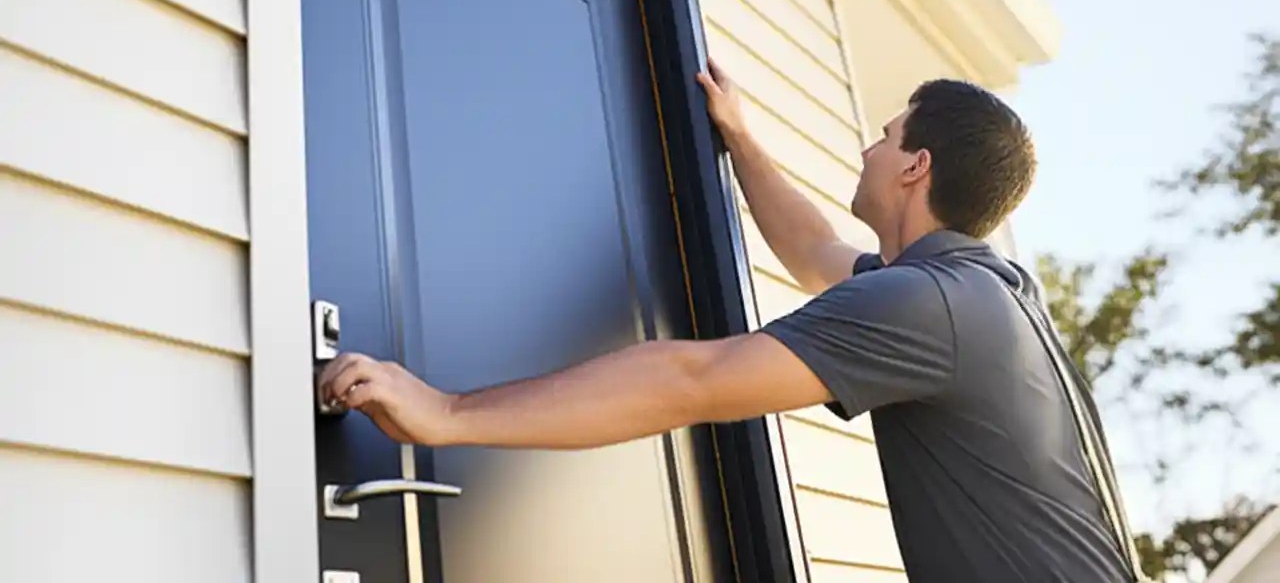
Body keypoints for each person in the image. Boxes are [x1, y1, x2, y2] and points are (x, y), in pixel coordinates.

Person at [318, 59, 1135, 582]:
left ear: (916, 167)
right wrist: (740, 137)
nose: (867, 150)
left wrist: (448, 413)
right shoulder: (980, 293)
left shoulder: (932, 303)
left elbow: (693, 378)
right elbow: (816, 250)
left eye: (884, 139)